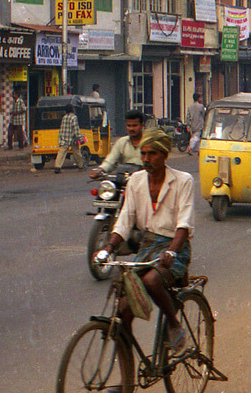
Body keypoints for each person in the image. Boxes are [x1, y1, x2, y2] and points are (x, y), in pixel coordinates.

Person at [96, 129, 194, 351]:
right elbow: (124, 220)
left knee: (151, 281)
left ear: (165, 155)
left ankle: (174, 324)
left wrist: (171, 252)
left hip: (174, 247)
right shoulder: (136, 182)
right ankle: (127, 379)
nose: (147, 159)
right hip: (148, 245)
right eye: (144, 154)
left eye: (153, 154)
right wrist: (109, 248)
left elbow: (184, 225)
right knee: (121, 313)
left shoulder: (183, 181)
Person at [89, 109, 146, 178]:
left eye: (134, 125)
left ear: (142, 125)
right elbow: (110, 161)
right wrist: (100, 170)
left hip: (145, 181)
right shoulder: (121, 142)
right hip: (124, 181)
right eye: (129, 125)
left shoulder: (150, 142)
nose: (131, 129)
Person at [54, 104, 85, 173]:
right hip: (72, 138)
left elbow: (62, 128)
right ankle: (81, 166)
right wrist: (81, 139)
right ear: (72, 110)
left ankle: (57, 167)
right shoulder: (74, 117)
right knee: (77, 152)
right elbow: (76, 130)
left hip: (64, 137)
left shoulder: (64, 117)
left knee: (61, 153)